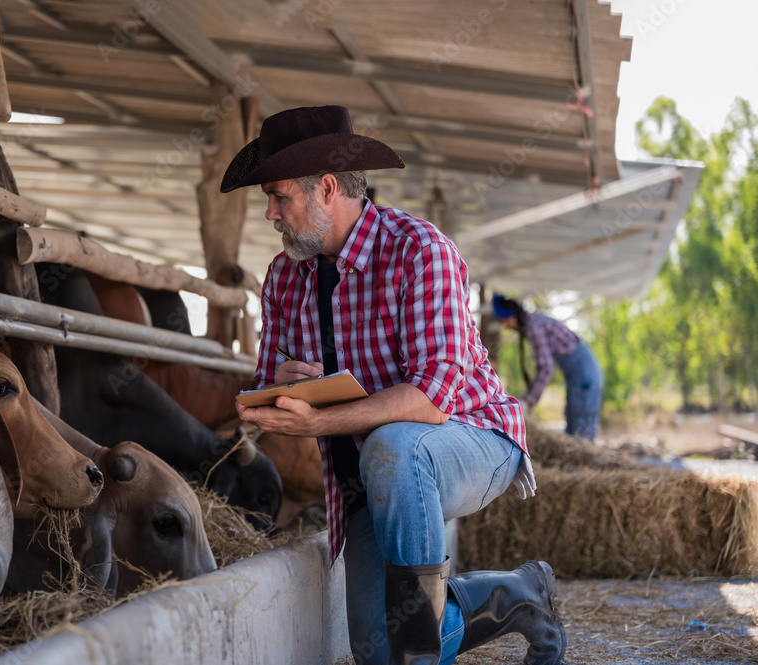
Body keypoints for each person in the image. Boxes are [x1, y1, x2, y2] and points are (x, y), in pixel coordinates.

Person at [223, 105, 565, 665]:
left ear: (326, 189)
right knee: (375, 649)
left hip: (471, 438)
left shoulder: (420, 251)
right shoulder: (284, 277)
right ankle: (521, 597)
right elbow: (267, 383)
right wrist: (284, 389)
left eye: (279, 196)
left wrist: (321, 417)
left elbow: (431, 400)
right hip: (368, 472)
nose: (269, 214)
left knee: (394, 448)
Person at [491, 295, 604, 440]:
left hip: (584, 375)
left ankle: (586, 462)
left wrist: (529, 400)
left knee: (582, 431)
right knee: (572, 419)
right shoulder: (536, 321)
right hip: (581, 373)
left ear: (511, 317)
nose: (506, 327)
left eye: (504, 322)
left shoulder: (534, 327)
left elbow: (546, 368)